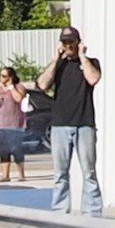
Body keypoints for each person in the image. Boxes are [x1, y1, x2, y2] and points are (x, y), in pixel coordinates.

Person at [38, 26, 103, 215]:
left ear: (78, 42)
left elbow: (93, 79)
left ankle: (92, 212)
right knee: (60, 173)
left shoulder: (91, 63)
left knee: (89, 172)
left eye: (71, 42)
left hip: (84, 123)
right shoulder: (58, 65)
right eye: (65, 42)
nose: (68, 46)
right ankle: (60, 211)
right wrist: (55, 59)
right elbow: (42, 84)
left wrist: (82, 57)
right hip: (60, 124)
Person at [0, 68, 31, 183]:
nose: (1, 78)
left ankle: (21, 174)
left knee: (16, 148)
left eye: (4, 76)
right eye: (1, 75)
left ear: (10, 77)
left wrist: (11, 87)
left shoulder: (19, 87)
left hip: (14, 123)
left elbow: (18, 99)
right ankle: (5, 175)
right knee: (3, 150)